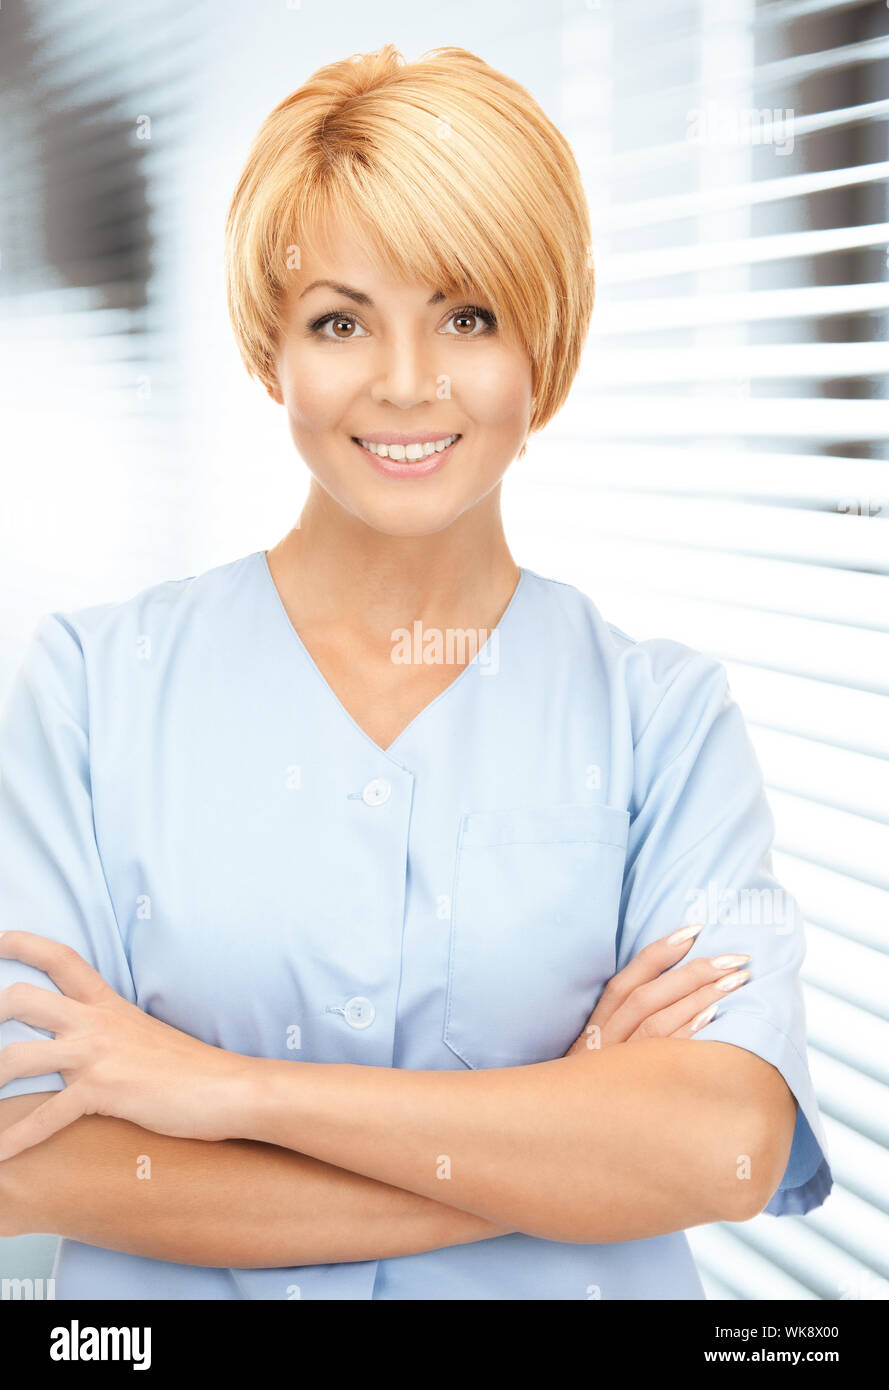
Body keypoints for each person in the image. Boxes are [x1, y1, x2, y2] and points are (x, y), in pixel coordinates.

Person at [0, 43, 831, 1300]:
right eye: (340, 320)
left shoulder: (660, 720)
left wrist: (230, 1094)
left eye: (469, 315)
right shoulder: (88, 695)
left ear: (542, 348)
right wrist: (560, 1142)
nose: (404, 382)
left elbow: (721, 1146)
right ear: (267, 348)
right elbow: (35, 1163)